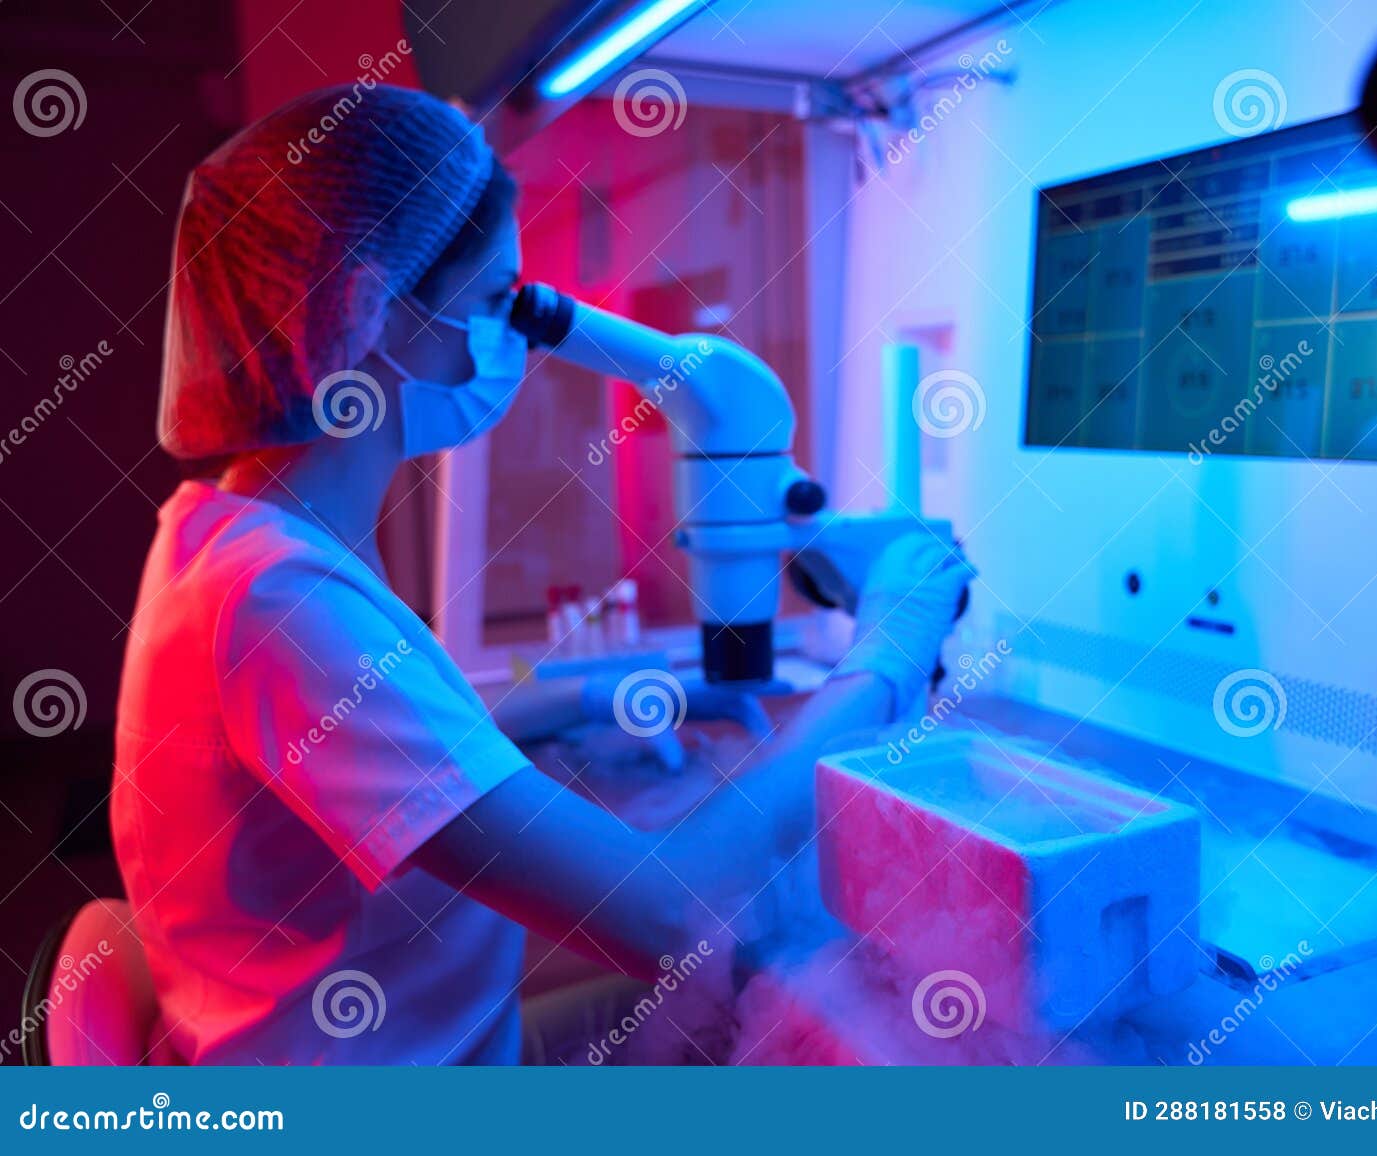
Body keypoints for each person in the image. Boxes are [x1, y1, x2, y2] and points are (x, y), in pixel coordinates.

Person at [111, 84, 972, 1065]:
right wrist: (890, 648)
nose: (509, 340)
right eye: (490, 302)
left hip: (403, 1045)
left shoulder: (228, 539)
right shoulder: (278, 604)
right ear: (367, 310)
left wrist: (589, 694)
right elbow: (665, 913)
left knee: (750, 1015)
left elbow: (385, 744)